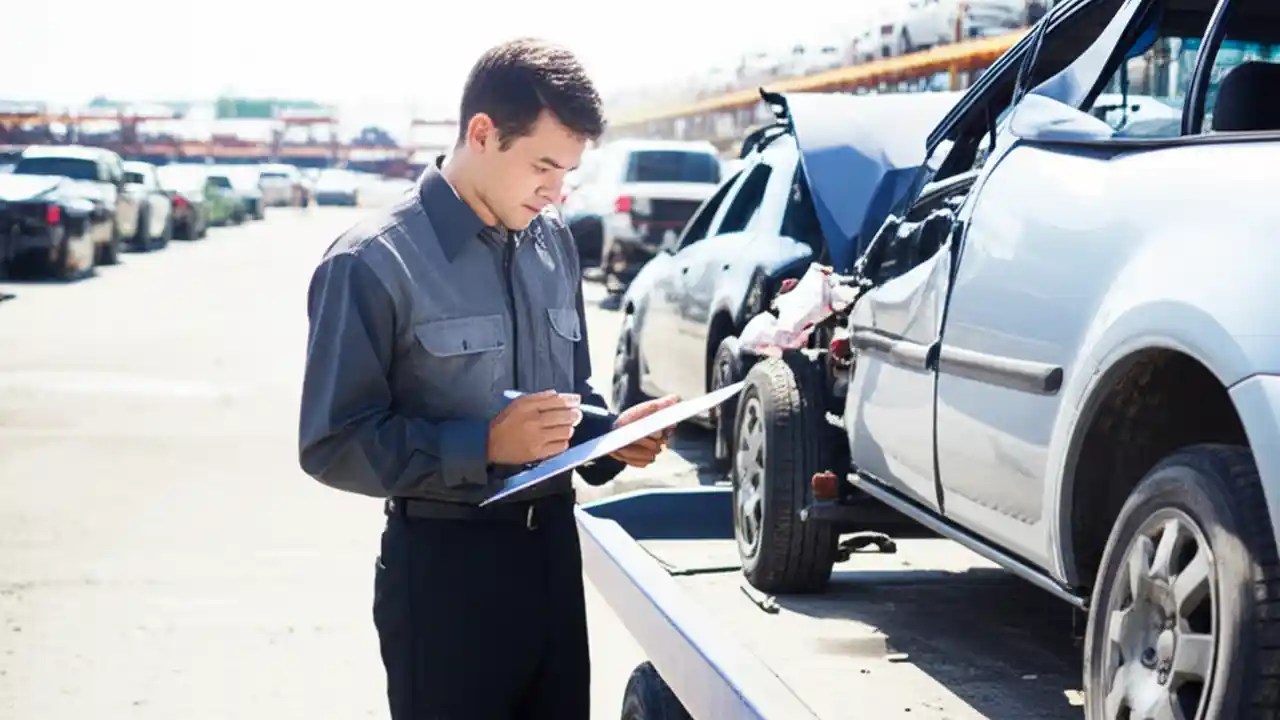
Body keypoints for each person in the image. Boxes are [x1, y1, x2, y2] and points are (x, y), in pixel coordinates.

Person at [297, 37, 679, 720]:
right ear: (481, 133)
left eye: (567, 172)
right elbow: (332, 441)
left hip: (555, 561)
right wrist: (483, 447)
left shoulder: (552, 240)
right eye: (542, 165)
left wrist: (610, 435)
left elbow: (571, 395)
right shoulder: (372, 263)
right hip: (446, 576)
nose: (556, 191)